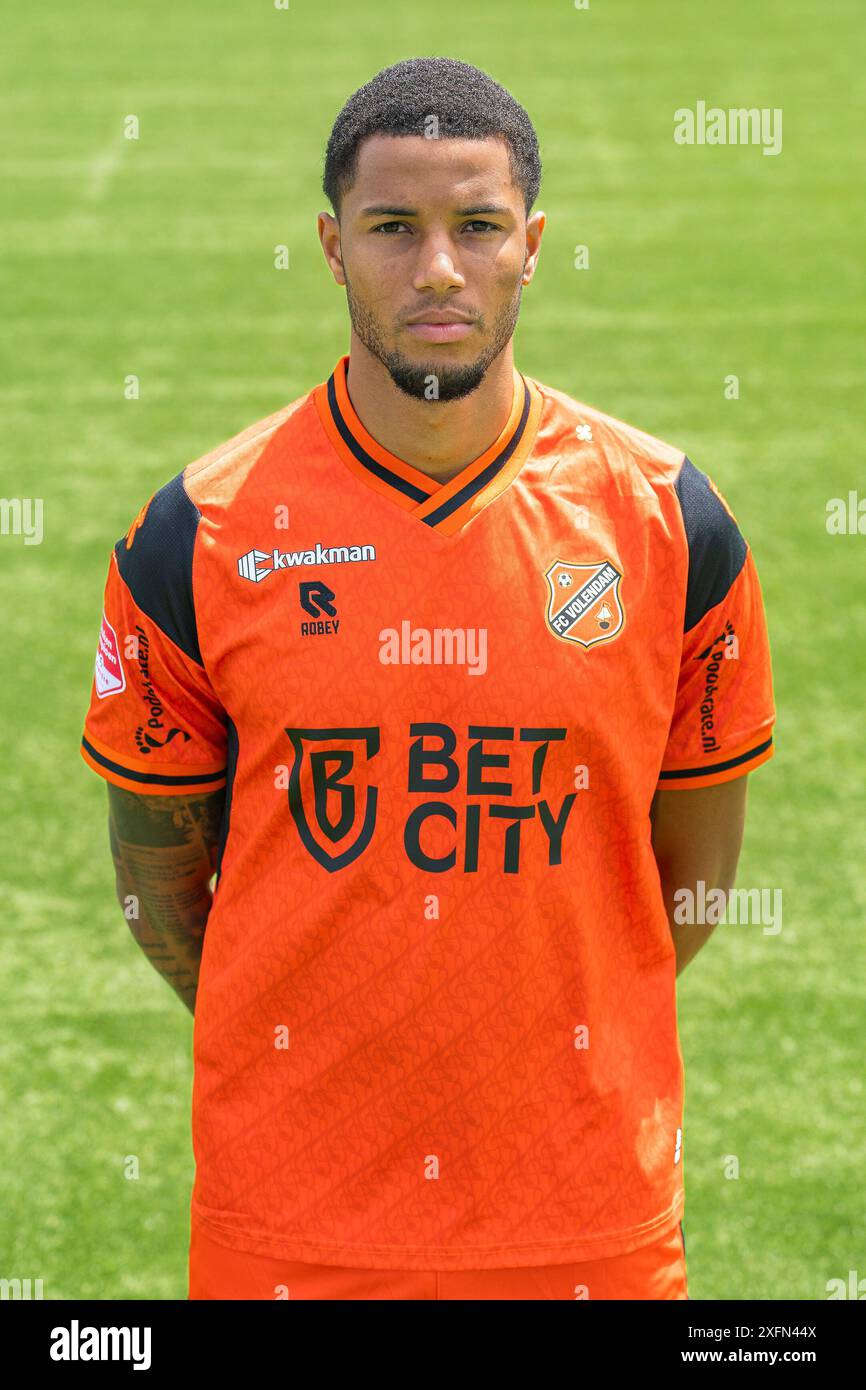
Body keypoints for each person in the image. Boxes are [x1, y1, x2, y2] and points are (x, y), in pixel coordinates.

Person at [79, 57, 776, 1300]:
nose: (438, 268)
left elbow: (685, 883)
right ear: (331, 245)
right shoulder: (202, 533)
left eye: (477, 227)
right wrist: (299, 1037)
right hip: (285, 1225)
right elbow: (159, 882)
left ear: (532, 244)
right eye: (393, 229)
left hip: (585, 1220)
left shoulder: (669, 524)